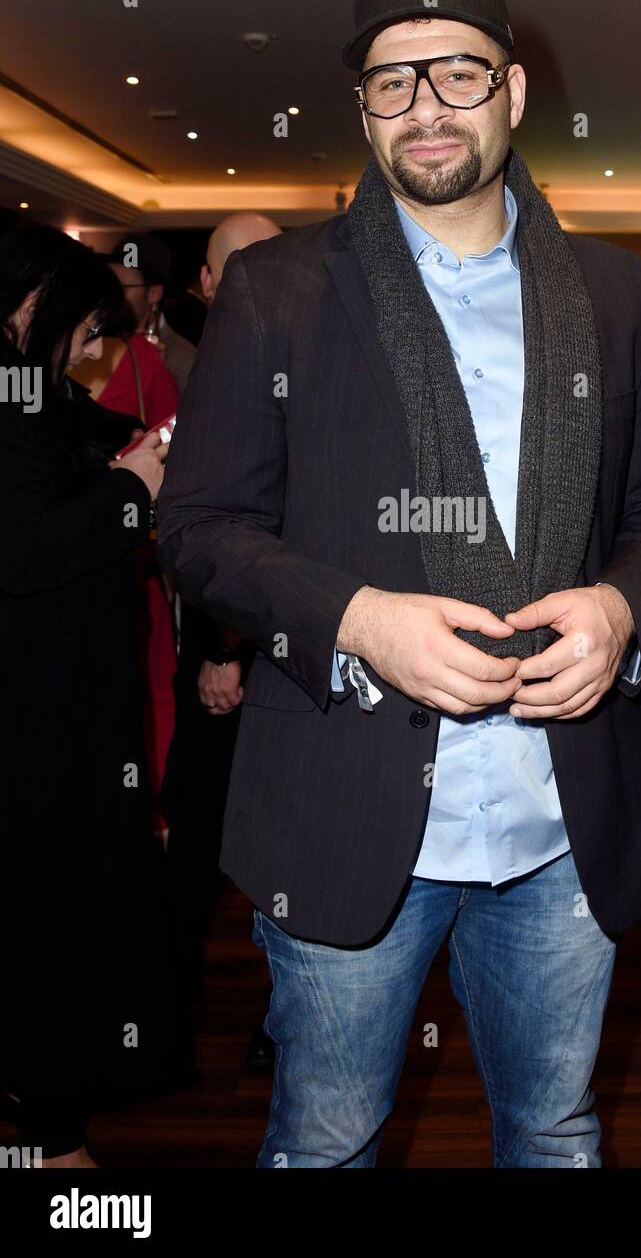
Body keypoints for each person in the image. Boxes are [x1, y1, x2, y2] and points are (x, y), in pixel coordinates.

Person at [158, 0, 641, 1169]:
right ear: (362, 109)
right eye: (392, 82)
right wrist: (357, 616)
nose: (426, 106)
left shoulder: (623, 300)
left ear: (513, 91)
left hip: (564, 820)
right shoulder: (276, 294)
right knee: (325, 1140)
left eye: (456, 72)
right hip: (348, 812)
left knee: (557, 1131)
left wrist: (622, 608)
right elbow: (196, 528)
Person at [0, 224, 182, 1167]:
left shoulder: (26, 389)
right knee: (46, 925)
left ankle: (50, 1126)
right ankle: (56, 1142)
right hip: (36, 729)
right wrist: (131, 494)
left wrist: (143, 458)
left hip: (57, 717)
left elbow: (71, 440)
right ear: (31, 305)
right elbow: (21, 549)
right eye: (82, 328)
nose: (94, 350)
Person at [160, 213, 280, 1051]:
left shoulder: (321, 362)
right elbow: (200, 532)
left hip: (303, 663)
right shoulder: (196, 379)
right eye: (232, 269)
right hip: (228, 656)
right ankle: (168, 1013)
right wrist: (218, 650)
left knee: (289, 853)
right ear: (205, 285)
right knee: (199, 841)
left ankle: (290, 1024)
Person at [70, 297, 180, 833]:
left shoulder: (141, 356)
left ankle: (151, 814)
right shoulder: (30, 380)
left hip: (130, 560)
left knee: (149, 684)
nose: (91, 346)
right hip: (74, 573)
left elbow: (151, 436)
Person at [107, 231, 197, 393]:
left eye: (121, 288)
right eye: (108, 285)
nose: (111, 296)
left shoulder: (182, 359)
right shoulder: (97, 346)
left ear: (154, 293)